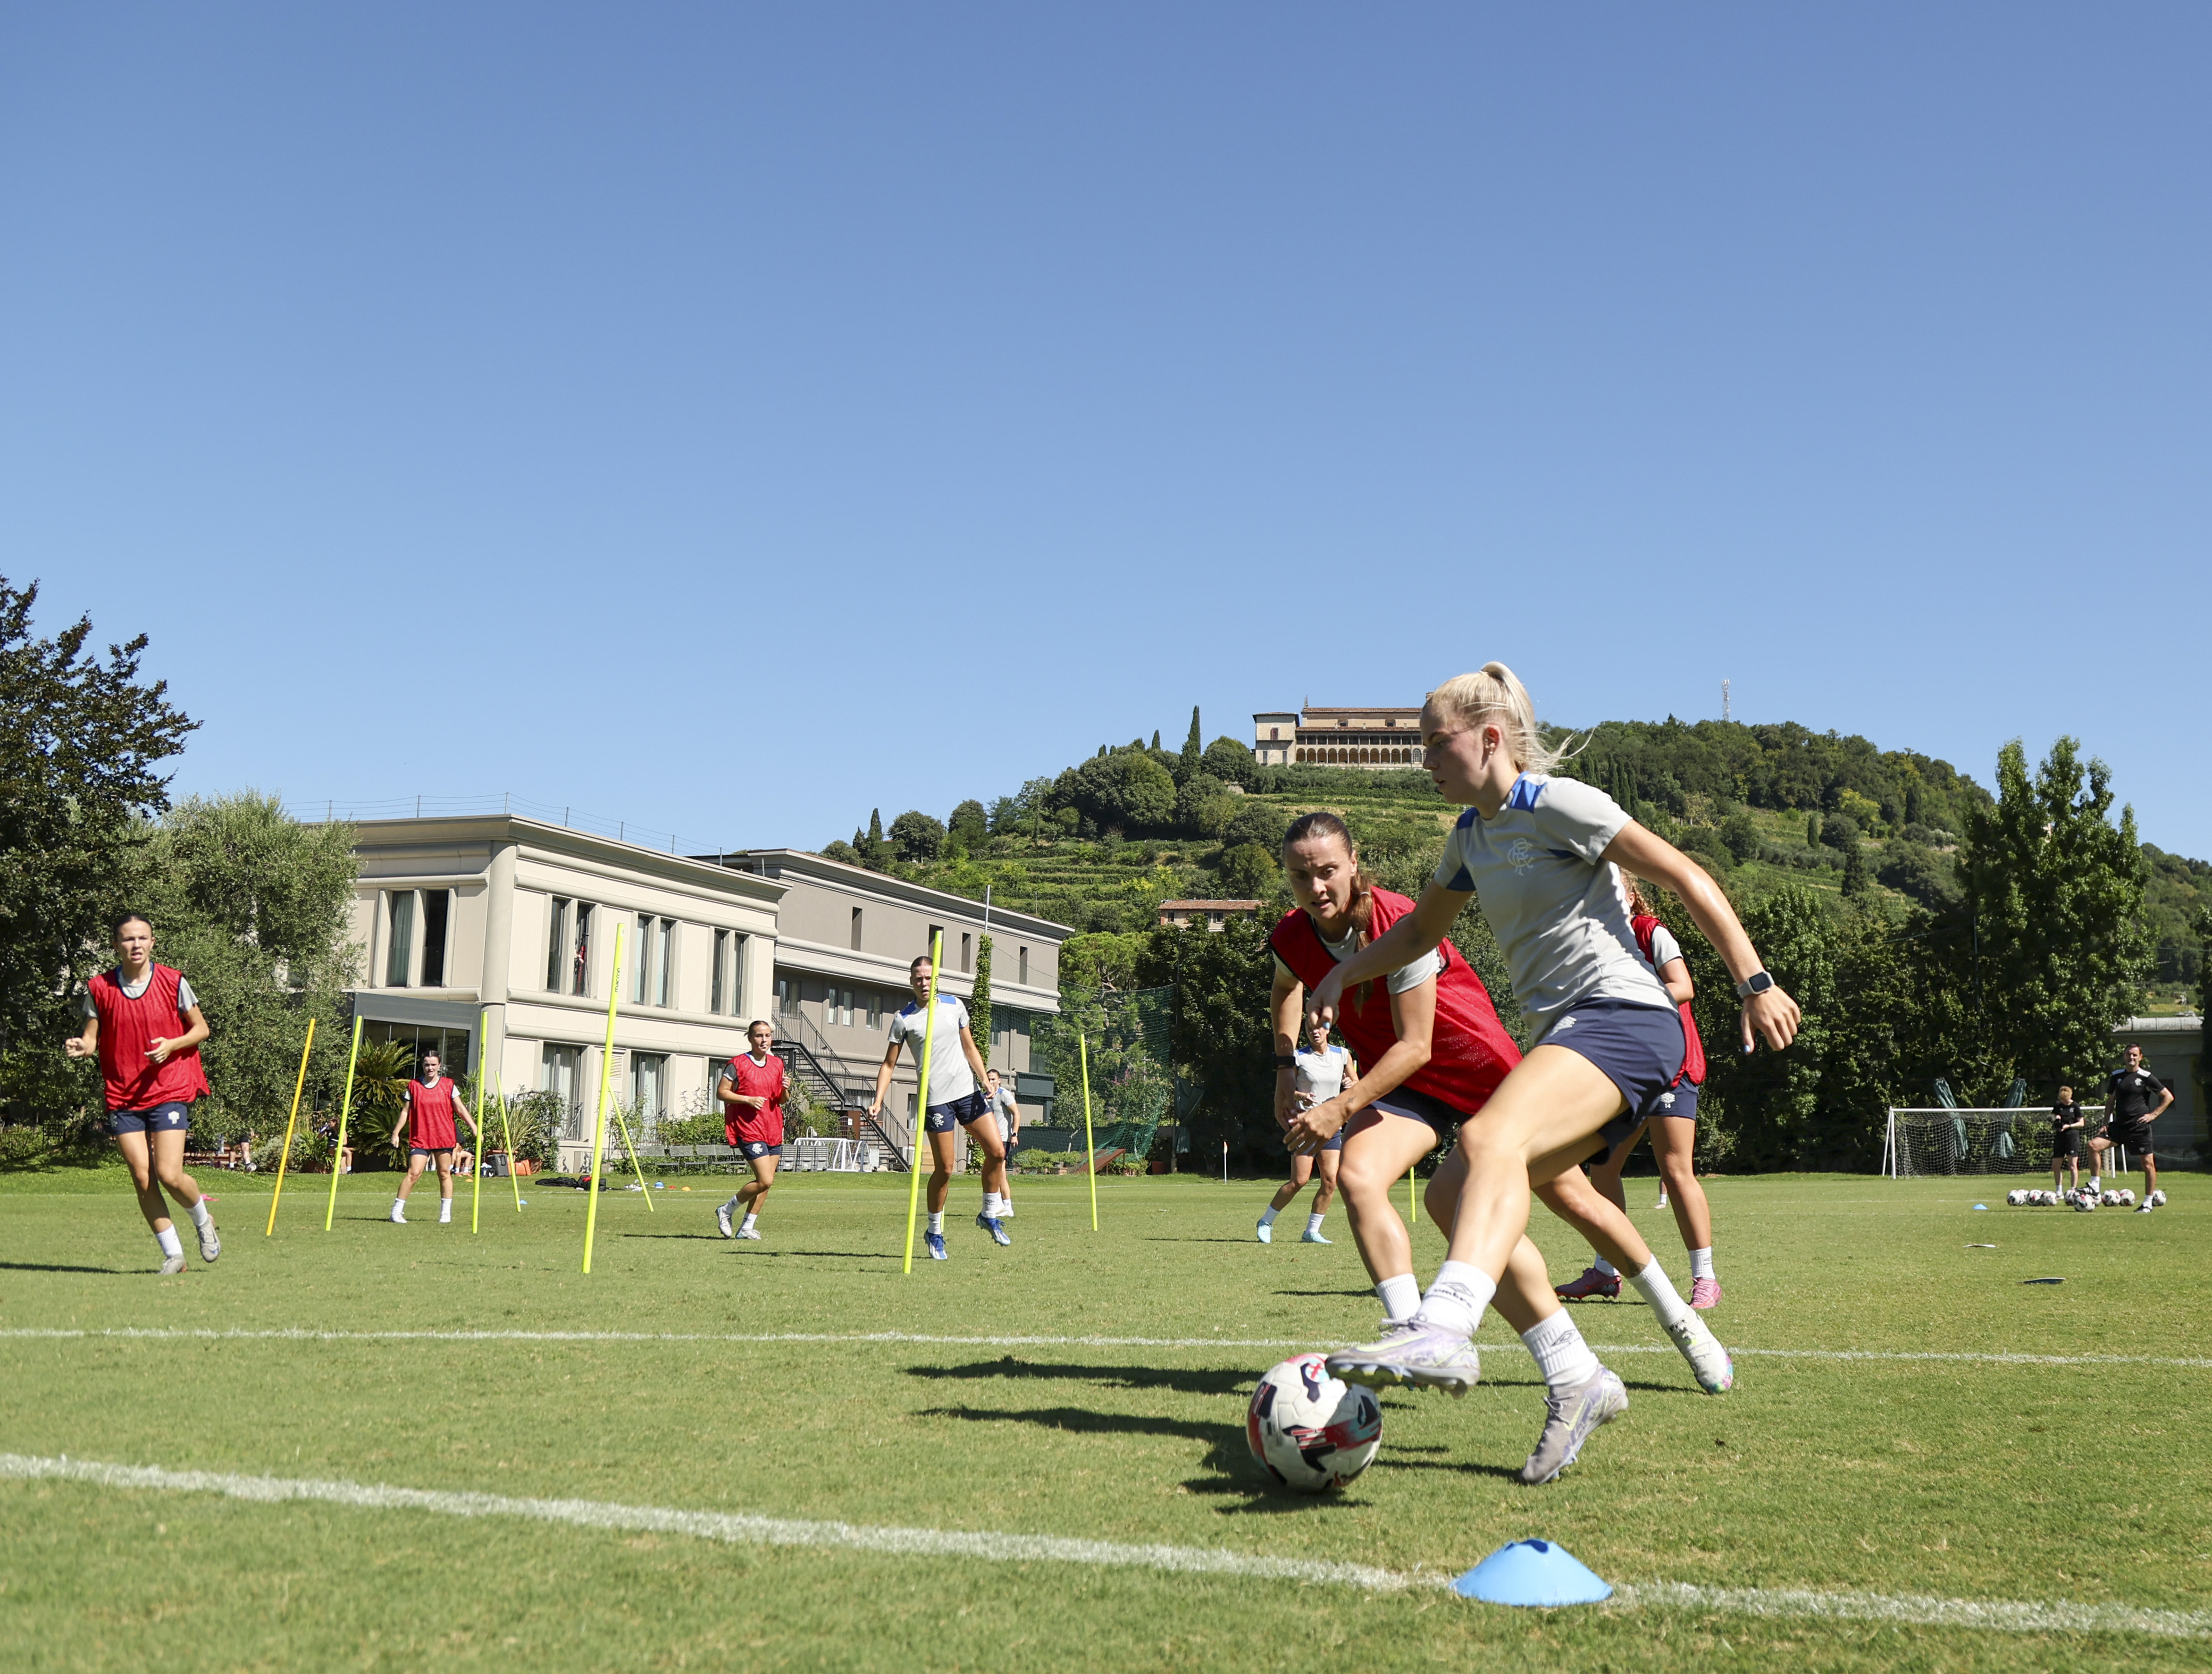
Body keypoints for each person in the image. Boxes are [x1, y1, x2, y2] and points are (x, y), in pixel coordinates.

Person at [1310, 664, 1797, 1403]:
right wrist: (1343, 974)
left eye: (1437, 743)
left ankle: (1446, 1325)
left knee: (1484, 1140)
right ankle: (1582, 1374)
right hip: (1571, 1034)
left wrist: (1753, 981)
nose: (1425, 761)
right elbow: (1417, 932)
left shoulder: (1559, 803)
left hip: (1629, 1019)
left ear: (1492, 738)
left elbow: (1684, 875)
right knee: (1454, 1193)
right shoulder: (1471, 837)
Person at [1275, 810, 1727, 1480]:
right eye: (1299, 873)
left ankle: (1683, 1323)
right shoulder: (1291, 933)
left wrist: (1341, 1103)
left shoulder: (1399, 918)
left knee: (1576, 1200)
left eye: (1326, 870)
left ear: (1353, 862)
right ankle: (1417, 1339)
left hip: (1474, 1068)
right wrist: (1285, 1067)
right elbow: (1286, 988)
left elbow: (1417, 1044)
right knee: (1364, 1178)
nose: (1314, 886)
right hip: (1402, 1088)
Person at [1556, 874, 1721, 1309]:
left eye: (1613, 890)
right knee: (1603, 1167)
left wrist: (1630, 1003)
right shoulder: (1597, 944)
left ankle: (1705, 1277)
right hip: (1624, 1071)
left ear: (1629, 895)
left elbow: (1684, 986)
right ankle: (1606, 1271)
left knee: (1674, 1168)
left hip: (1672, 1065)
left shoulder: (1652, 931)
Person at [65, 911, 221, 1275]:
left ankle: (203, 1221)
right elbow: (92, 1037)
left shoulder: (173, 981)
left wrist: (172, 1044)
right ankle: (174, 1256)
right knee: (142, 1176)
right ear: (116, 945)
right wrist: (83, 1046)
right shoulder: (99, 988)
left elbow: (201, 1029)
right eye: (127, 938)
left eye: (142, 938)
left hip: (168, 1088)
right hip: (123, 1093)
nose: (135, 944)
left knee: (169, 1173)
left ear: (152, 942)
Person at [868, 954, 1011, 1255]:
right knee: (945, 1169)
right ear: (911, 982)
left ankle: (988, 1214)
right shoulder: (904, 1019)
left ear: (936, 980)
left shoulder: (954, 1005)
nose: (923, 982)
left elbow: (969, 1047)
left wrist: (985, 1080)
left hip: (967, 1093)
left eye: (928, 977)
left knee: (998, 1152)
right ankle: (934, 1232)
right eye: (918, 978)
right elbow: (888, 1064)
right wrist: (878, 1100)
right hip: (936, 1102)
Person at [1257, 1021, 1353, 1245]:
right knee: (1299, 1180)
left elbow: (1356, 1084)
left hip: (1332, 1128)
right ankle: (1266, 1221)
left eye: (1319, 1028)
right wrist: (1301, 1096)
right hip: (1306, 1126)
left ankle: (1311, 1232)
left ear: (1329, 1030)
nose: (1315, 1032)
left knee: (1330, 1182)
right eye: (1310, 1029)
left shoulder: (1343, 1055)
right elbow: (1285, 1090)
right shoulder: (1298, 1057)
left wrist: (1350, 1083)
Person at [387, 1050, 481, 1225]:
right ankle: (396, 1212)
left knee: (444, 1173)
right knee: (414, 1173)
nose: (430, 1068)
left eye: (433, 1065)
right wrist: (396, 1133)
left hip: (443, 1136)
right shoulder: (414, 1086)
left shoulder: (449, 1085)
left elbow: (460, 1109)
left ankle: (445, 1214)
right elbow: (406, 1111)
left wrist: (474, 1127)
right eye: (426, 1065)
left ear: (439, 1066)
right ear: (422, 1066)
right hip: (421, 1137)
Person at [716, 1021, 788, 1240]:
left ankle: (747, 1227)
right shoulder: (738, 1064)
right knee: (764, 1180)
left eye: (767, 1035)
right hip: (749, 1129)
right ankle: (726, 1210)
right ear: (750, 1038)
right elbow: (722, 1093)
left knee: (767, 1182)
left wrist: (786, 1088)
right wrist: (747, 1099)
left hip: (773, 1127)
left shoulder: (777, 1064)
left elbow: (782, 1100)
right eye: (759, 1036)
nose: (764, 1040)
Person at [2090, 1044, 2172, 1211]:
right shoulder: (2116, 1076)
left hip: (2139, 1128)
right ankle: (2095, 1187)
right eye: (2129, 1054)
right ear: (2124, 1056)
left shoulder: (2146, 1077)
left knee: (2148, 1165)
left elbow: (2168, 1097)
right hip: (2119, 1127)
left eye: (2135, 1055)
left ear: (2141, 1057)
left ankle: (2148, 1203)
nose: (2131, 1058)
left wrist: (2153, 1115)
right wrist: (2105, 1124)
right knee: (2093, 1146)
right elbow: (2110, 1102)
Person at [983, 1069, 1021, 1217]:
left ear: (999, 1080)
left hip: (1003, 1139)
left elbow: (1016, 1113)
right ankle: (1001, 1206)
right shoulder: (985, 1097)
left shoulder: (1003, 1094)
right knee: (994, 1172)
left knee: (1000, 1172)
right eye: (988, 1079)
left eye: (993, 1079)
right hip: (990, 1140)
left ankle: (1006, 1207)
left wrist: (1014, 1134)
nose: (990, 1082)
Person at [2049, 1084, 2085, 1194]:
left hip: (2072, 1136)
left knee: (2073, 1165)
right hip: (2060, 1137)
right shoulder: (2058, 1105)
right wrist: (2056, 1118)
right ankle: (2059, 1190)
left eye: (2065, 1101)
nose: (2064, 1103)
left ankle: (2073, 1190)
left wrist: (2069, 1126)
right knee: (2056, 1164)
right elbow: (2052, 1116)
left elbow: (2082, 1123)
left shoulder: (2075, 1106)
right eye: (2062, 1101)